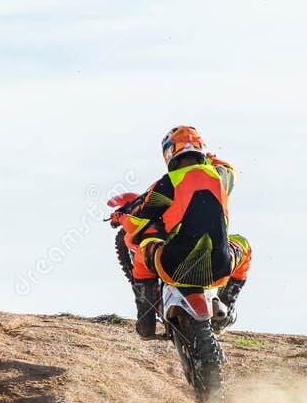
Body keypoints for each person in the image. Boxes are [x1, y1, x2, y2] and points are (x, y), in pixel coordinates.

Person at [107, 125, 251, 339]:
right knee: (244, 245)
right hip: (220, 268)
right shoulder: (221, 176)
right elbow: (230, 168)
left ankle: (146, 322)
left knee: (142, 250)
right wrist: (210, 157)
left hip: (174, 267)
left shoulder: (168, 183)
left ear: (169, 153)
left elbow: (135, 225)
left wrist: (120, 217)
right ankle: (227, 307)